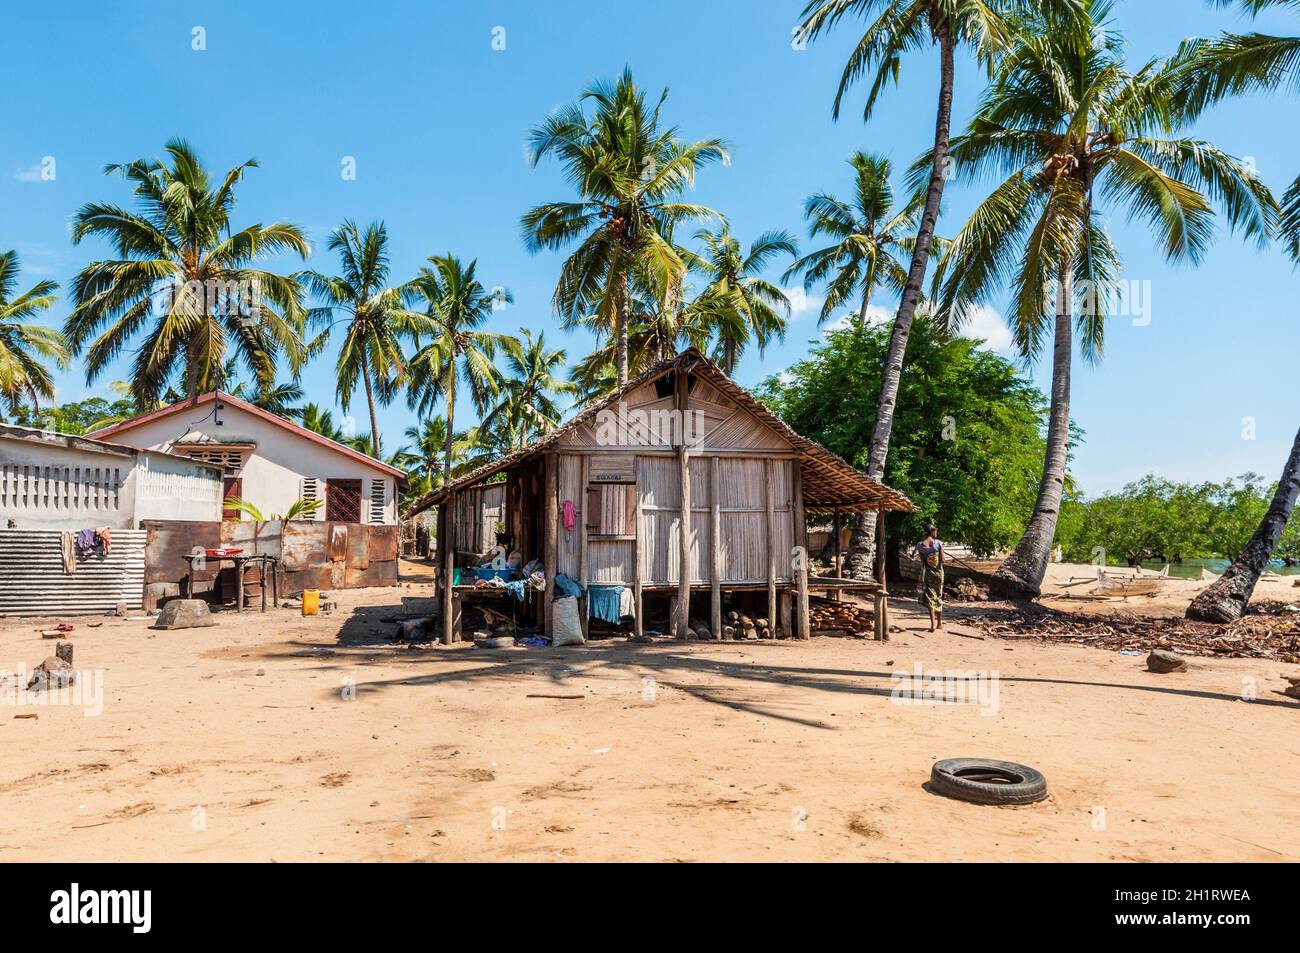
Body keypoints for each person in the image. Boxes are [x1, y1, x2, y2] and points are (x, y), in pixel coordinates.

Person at [917, 525, 944, 632]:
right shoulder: (938, 543)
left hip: (927, 574)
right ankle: (939, 623)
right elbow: (943, 560)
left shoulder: (920, 545)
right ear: (932, 532)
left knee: (929, 597)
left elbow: (923, 562)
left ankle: (932, 624)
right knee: (939, 595)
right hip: (938, 574)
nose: (937, 533)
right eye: (936, 531)